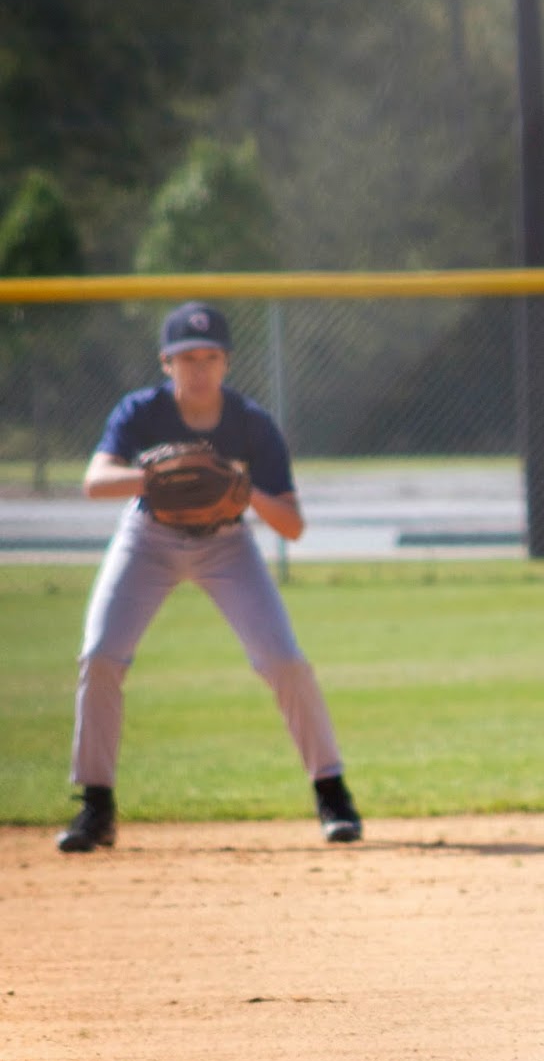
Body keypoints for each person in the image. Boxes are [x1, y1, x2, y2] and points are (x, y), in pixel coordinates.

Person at [56, 302, 363, 853]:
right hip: (148, 539)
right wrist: (160, 475)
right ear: (166, 363)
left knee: (284, 661)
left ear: (226, 362)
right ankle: (96, 806)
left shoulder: (251, 422)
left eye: (209, 357)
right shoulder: (142, 410)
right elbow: (95, 482)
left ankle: (332, 794)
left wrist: (242, 490)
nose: (198, 369)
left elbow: (292, 525)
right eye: (186, 358)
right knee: (100, 656)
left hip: (226, 544)